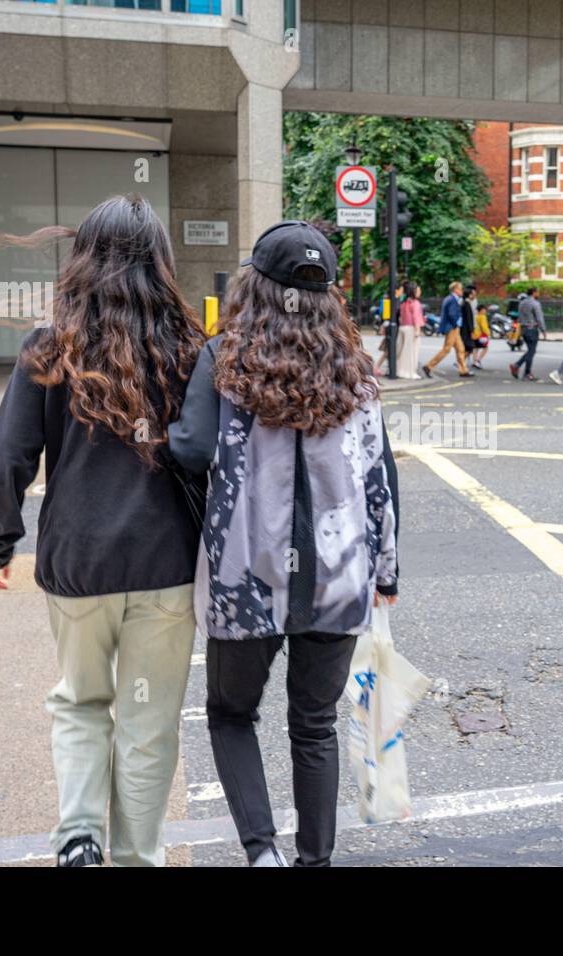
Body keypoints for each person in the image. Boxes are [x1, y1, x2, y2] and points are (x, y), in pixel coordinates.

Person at [0, 195, 205, 867]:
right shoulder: (190, 350)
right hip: (167, 566)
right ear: (160, 263)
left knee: (79, 702)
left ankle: (79, 835)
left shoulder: (49, 348)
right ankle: (137, 857)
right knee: (147, 723)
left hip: (77, 563)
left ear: (83, 261)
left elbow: (11, 454)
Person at [169, 220, 400, 868]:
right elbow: (379, 475)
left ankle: (261, 851)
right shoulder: (357, 373)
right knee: (315, 724)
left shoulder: (224, 361)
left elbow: (187, 450)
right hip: (340, 575)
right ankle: (314, 862)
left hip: (247, 578)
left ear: (254, 289)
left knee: (231, 716)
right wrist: (386, 572)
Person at [422, 280, 471, 378]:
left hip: (454, 327)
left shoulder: (451, 298)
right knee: (446, 349)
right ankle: (429, 366)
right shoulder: (452, 300)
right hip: (452, 327)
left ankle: (463, 370)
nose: (462, 290)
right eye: (461, 288)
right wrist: (456, 323)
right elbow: (452, 314)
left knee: (460, 348)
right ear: (456, 289)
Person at [510, 286, 545, 380]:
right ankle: (526, 372)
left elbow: (519, 317)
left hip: (523, 329)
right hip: (532, 328)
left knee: (530, 351)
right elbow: (539, 318)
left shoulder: (522, 303)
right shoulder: (535, 303)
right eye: (538, 292)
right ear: (534, 292)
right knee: (531, 351)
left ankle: (517, 366)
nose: (539, 294)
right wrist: (543, 330)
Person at [398, 281, 424, 378]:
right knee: (412, 352)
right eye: (418, 289)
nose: (420, 291)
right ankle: (411, 373)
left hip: (403, 327)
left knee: (403, 352)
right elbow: (416, 317)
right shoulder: (415, 303)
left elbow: (401, 317)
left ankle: (402, 371)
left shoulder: (404, 303)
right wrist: (417, 331)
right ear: (414, 291)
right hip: (411, 329)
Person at [459, 285, 478, 370]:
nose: (475, 295)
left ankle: (462, 364)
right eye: (473, 294)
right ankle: (460, 363)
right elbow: (469, 319)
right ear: (469, 295)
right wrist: (472, 331)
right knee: (469, 347)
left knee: (467, 347)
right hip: (466, 330)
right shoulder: (466, 304)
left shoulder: (465, 303)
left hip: (464, 330)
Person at [472, 300, 492, 370]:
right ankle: (478, 360)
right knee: (485, 348)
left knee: (475, 348)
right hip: (481, 335)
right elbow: (484, 327)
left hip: (475, 334)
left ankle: (474, 362)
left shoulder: (476, 316)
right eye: (484, 310)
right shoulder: (483, 317)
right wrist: (488, 333)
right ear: (481, 310)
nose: (485, 311)